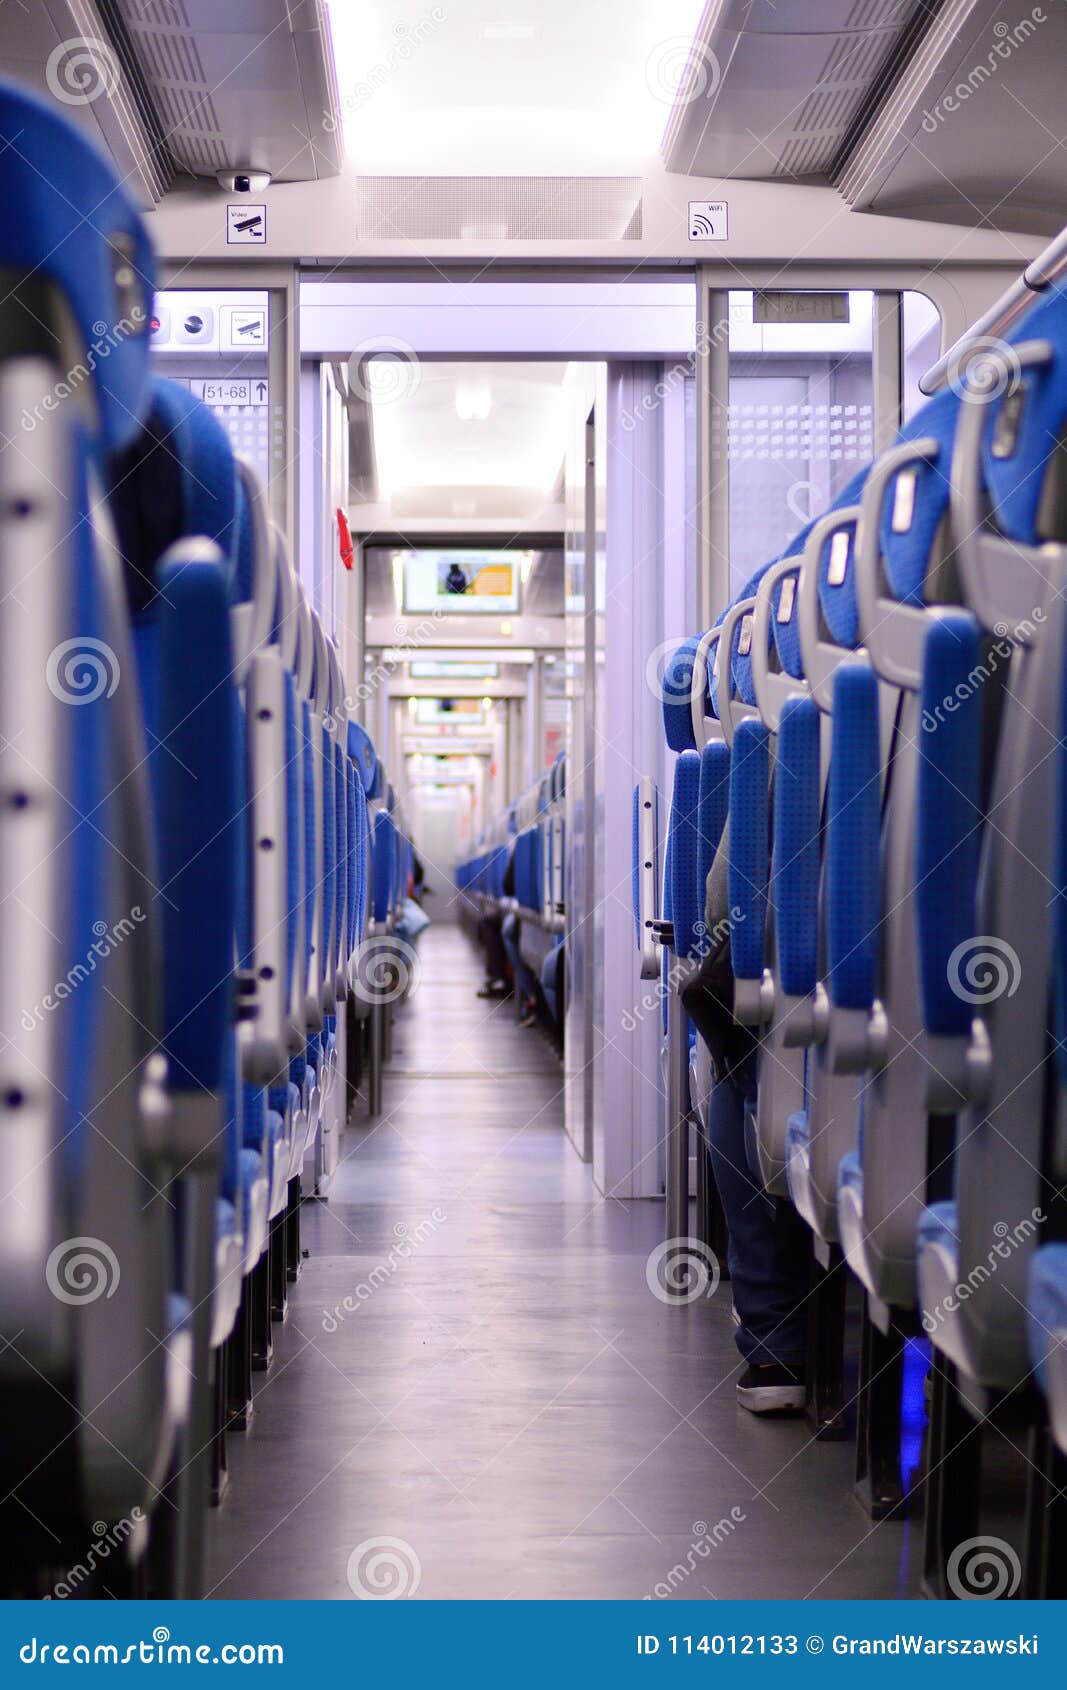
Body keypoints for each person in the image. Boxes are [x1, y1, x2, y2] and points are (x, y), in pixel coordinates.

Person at [682, 817, 811, 1414]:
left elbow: (718, 909)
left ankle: (775, 1345)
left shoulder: (790, 743)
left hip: (804, 1033)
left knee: (737, 1063)